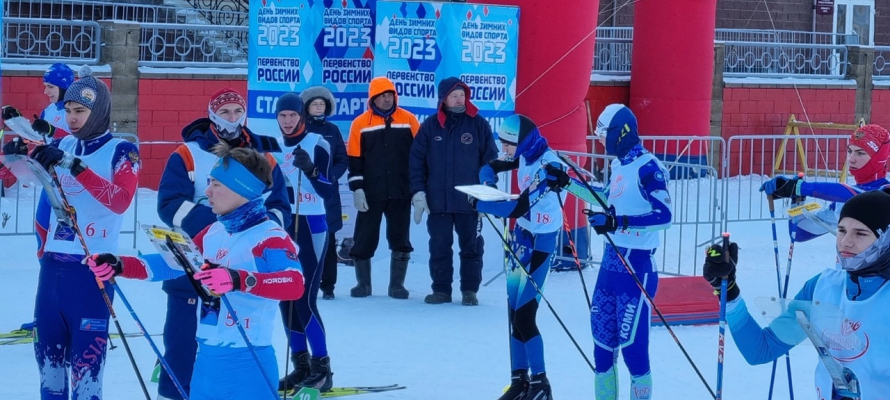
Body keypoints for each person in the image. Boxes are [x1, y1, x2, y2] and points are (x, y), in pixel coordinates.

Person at [87, 143, 305, 400]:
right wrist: (120, 264)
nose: (207, 192)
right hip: (206, 358)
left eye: (216, 185)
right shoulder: (214, 232)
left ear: (241, 190)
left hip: (247, 360)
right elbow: (171, 264)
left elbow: (294, 282)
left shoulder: (270, 237)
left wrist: (238, 279)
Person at [155, 87, 291, 400]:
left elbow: (280, 206)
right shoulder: (188, 152)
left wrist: (255, 231)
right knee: (182, 348)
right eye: (225, 112)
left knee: (237, 354)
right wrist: (218, 226)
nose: (232, 118)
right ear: (213, 115)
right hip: (193, 267)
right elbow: (169, 203)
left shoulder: (263, 156)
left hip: (242, 270)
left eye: (236, 111)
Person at [702, 189, 890, 398]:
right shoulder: (822, 287)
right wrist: (728, 290)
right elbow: (760, 350)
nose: (846, 241)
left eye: (860, 233)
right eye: (841, 230)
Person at [28, 66, 139, 399]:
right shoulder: (64, 145)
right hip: (52, 269)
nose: (72, 118)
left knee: (86, 377)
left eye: (81, 111)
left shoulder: (122, 151)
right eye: (69, 110)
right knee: (49, 375)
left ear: (99, 111)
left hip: (91, 272)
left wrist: (73, 165)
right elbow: (47, 192)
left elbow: (119, 201)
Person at [475, 114, 567, 400]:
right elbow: (490, 166)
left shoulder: (547, 164)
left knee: (526, 316)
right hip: (522, 238)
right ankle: (519, 381)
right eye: (501, 141)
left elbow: (518, 207)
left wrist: (480, 202)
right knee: (513, 314)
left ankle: (541, 384)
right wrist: (487, 183)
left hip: (542, 241)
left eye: (508, 143)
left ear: (524, 141)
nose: (504, 148)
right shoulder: (524, 154)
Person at [587, 104, 672, 400]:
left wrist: (618, 222)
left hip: (636, 267)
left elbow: (665, 216)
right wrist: (566, 182)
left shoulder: (649, 167)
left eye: (602, 134)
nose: (599, 140)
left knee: (633, 351)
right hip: (610, 267)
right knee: (601, 349)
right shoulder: (619, 165)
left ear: (618, 133)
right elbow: (606, 201)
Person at [409, 77, 498, 305]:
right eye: (454, 95)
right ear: (444, 99)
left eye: (462, 95)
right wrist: (418, 193)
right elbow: (416, 162)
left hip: (469, 203)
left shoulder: (478, 124)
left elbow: (491, 162)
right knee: (439, 247)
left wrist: (486, 195)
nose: (459, 99)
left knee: (471, 247)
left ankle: (469, 291)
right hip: (437, 201)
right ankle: (441, 290)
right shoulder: (430, 126)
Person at [273, 92, 336, 393]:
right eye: (282, 116)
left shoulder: (317, 143)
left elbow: (328, 191)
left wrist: (311, 170)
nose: (287, 121)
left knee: (304, 299)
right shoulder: (273, 149)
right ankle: (301, 365)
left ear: (302, 116)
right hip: (284, 226)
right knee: (285, 298)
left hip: (311, 226)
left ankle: (323, 368)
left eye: (292, 115)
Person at [345, 76, 420, 299]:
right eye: (382, 96)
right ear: (373, 99)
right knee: (364, 237)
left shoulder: (409, 120)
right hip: (370, 193)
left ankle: (397, 285)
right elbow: (354, 160)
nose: (387, 100)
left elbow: (419, 156)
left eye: (390, 95)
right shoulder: (360, 123)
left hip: (400, 191)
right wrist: (357, 189)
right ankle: (363, 285)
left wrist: (417, 189)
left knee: (400, 236)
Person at [760, 124, 890, 242]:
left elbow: (865, 197)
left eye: (860, 153)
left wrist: (802, 187)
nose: (851, 159)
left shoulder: (886, 192)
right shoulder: (841, 200)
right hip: (845, 268)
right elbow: (801, 233)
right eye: (849, 151)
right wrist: (796, 199)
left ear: (879, 158)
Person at [301, 86, 348, 300]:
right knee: (303, 238)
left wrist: (331, 176)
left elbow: (341, 159)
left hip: (328, 191)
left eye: (322, 104)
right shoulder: (300, 129)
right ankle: (302, 282)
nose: (318, 107)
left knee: (328, 239)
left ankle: (328, 286)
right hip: (305, 191)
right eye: (314, 104)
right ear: (306, 107)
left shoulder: (333, 129)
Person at [2, 62, 74, 140]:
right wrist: (17, 120)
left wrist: (52, 131)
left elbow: (78, 143)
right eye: (46, 86)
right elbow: (38, 139)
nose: (45, 92)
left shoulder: (78, 111)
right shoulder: (47, 111)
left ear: (64, 87)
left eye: (50, 87)